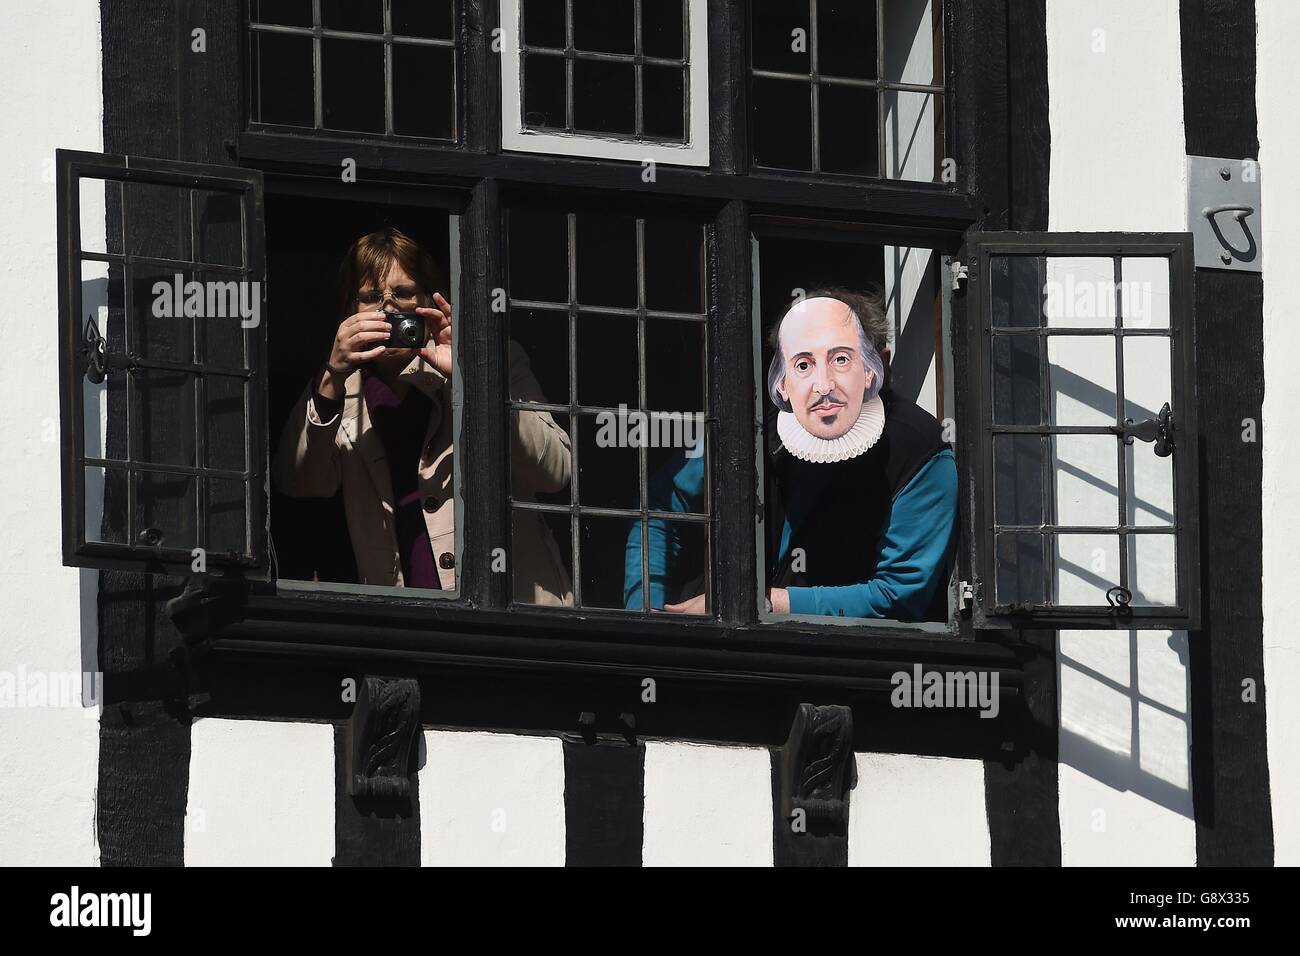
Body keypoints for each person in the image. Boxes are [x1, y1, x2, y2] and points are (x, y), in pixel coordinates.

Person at [273, 227, 573, 605]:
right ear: (349, 311)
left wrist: (472, 375)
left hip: (505, 610)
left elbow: (555, 471)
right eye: (371, 297)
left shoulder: (491, 359)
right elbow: (299, 483)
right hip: (408, 619)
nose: (388, 309)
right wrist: (332, 377)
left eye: (402, 293)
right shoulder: (336, 384)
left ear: (428, 301)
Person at [624, 287, 956, 621]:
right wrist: (644, 607)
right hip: (711, 627)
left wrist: (766, 603)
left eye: (841, 359)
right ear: (782, 378)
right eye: (803, 364)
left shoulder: (920, 452)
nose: (823, 385)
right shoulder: (755, 424)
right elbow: (663, 505)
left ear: (878, 365)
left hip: (838, 648)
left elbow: (898, 596)